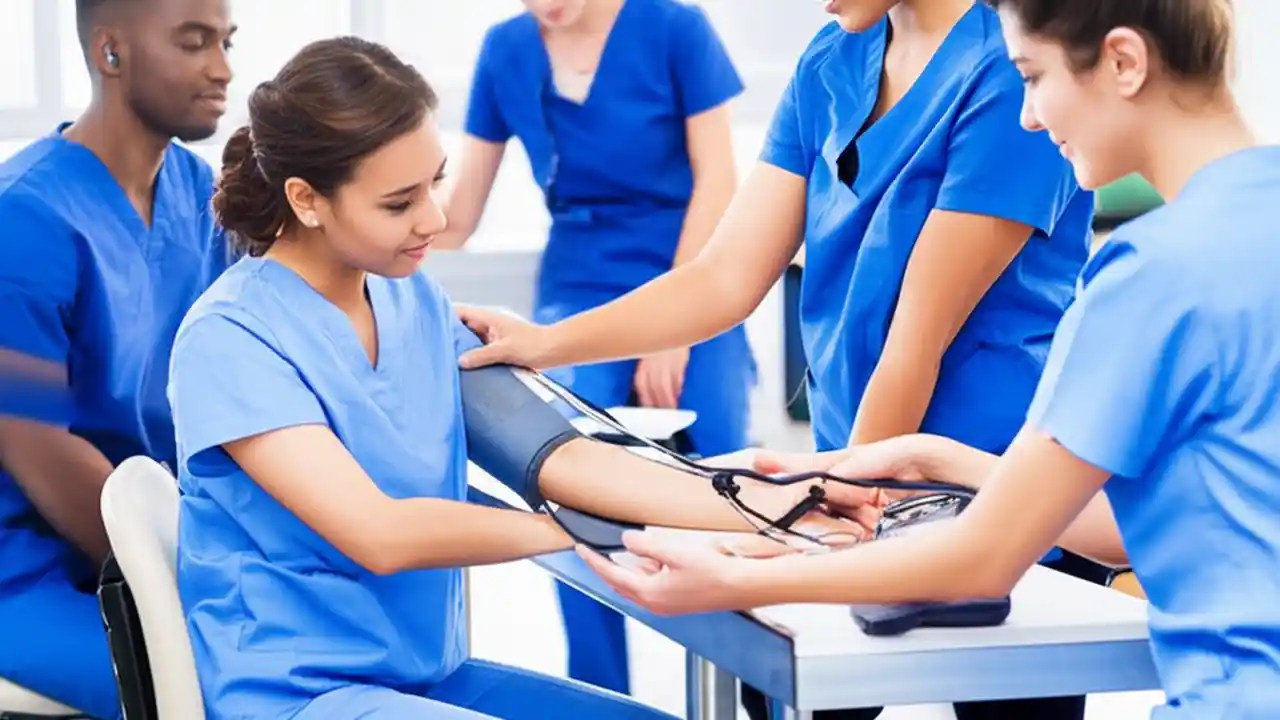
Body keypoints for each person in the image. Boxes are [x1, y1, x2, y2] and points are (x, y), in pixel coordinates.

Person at [582, 1, 1280, 718]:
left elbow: (984, 557)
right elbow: (1128, 527)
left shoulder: (1147, 276)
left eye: (1032, 77)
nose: (1028, 116)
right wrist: (934, 458)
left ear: (1124, 62)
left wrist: (739, 580)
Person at [166, 37, 844, 720]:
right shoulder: (231, 339)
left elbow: (565, 460)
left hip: (423, 679)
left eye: (434, 184)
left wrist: (771, 503)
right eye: (399, 203)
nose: (435, 219)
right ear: (307, 199)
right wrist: (591, 534)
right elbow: (379, 533)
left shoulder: (414, 303)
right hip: (297, 696)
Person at [456, 0, 1095, 717]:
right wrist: (544, 342)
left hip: (995, 485)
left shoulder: (1011, 71)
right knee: (785, 685)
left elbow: (915, 340)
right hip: (856, 463)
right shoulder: (832, 59)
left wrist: (829, 507)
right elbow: (723, 279)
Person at [437, 0, 752, 693]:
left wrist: (677, 328)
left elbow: (719, 183)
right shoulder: (505, 50)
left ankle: (757, 686)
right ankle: (604, 696)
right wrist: (356, 219)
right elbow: (457, 216)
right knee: (566, 483)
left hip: (691, 275)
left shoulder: (675, 28)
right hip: (580, 289)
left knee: (734, 483)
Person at [0, 0, 234, 716]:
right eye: (194, 43)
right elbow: (39, 449)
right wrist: (195, 578)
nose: (222, 68)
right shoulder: (23, 218)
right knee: (224, 689)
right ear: (111, 53)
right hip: (32, 571)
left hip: (162, 540)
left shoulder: (202, 196)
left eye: (226, 42)